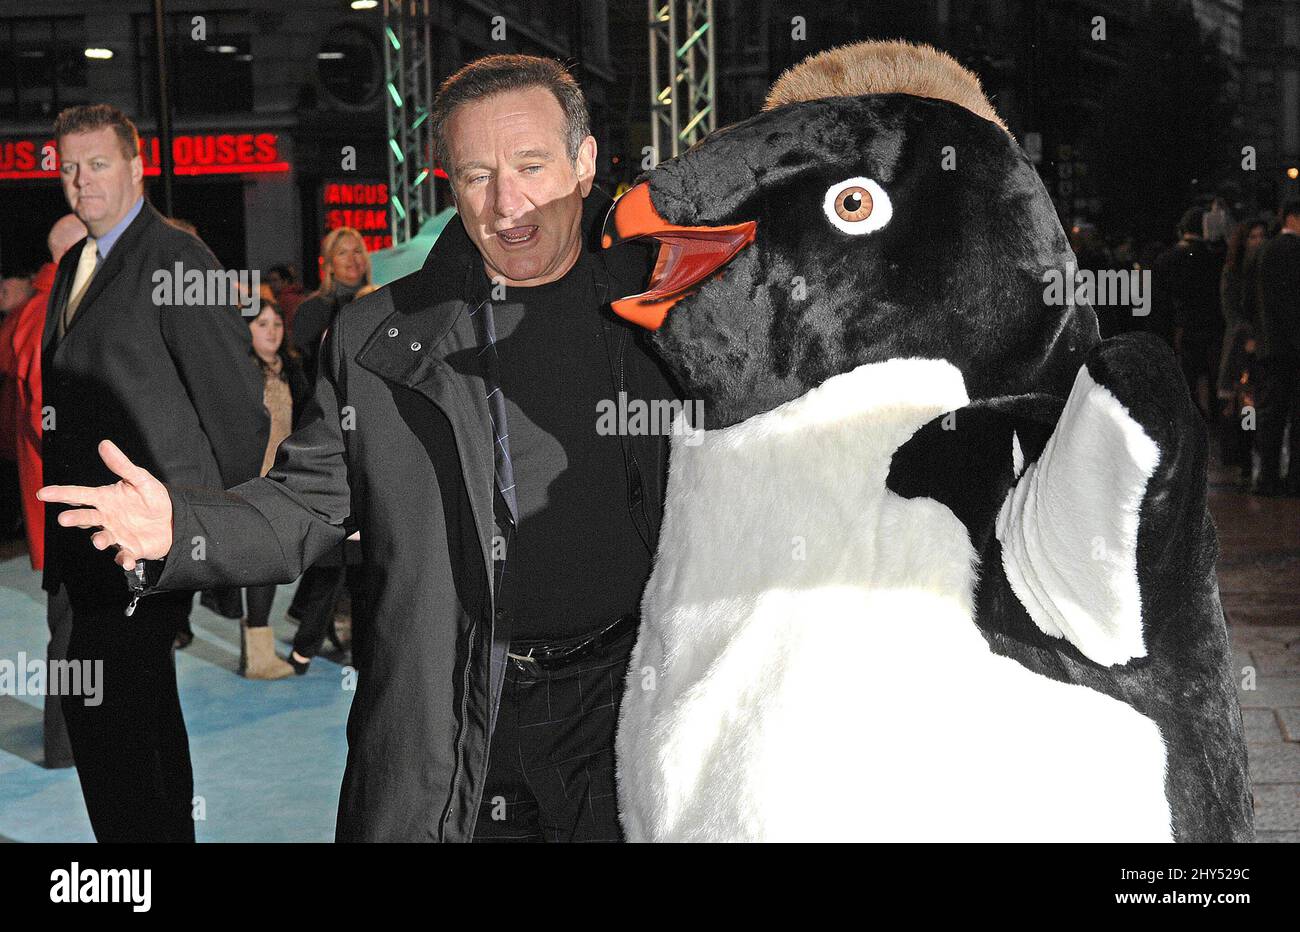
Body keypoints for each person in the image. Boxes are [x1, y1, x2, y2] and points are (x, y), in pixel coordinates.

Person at [40, 54, 681, 842]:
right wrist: (182, 529)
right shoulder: (379, 337)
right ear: (449, 183)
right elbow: (305, 502)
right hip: (450, 717)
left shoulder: (666, 317)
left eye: (531, 165)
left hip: (625, 710)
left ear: (584, 163)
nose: (506, 202)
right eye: (477, 174)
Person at [40, 104, 268, 842]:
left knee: (110, 723)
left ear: (137, 168)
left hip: (149, 546)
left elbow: (238, 407)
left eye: (98, 162)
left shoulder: (177, 257)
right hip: (88, 551)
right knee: (134, 727)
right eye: (69, 166)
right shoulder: (77, 263)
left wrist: (205, 529)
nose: (82, 180)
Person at [0, 215, 87, 768]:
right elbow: (41, 409)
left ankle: (72, 739)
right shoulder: (49, 308)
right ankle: (66, 743)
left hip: (63, 496)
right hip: (66, 499)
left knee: (77, 623)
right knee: (72, 624)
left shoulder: (47, 305)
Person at [240, 300, 309, 678]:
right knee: (257, 566)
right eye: (262, 323)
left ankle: (259, 651)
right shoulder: (238, 371)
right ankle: (258, 654)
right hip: (247, 483)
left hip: (281, 482)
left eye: (277, 323)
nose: (272, 330)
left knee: (267, 565)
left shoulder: (291, 369)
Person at [1244, 199, 1300, 496]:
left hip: (1269, 347)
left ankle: (1266, 477)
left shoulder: (1264, 250)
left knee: (1270, 415)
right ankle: (1294, 479)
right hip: (1293, 349)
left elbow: (1247, 300)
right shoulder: (1295, 252)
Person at [1150, 206, 1225, 416]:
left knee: (1186, 381)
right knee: (1214, 378)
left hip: (1182, 329)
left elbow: (1159, 302)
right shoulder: (1215, 257)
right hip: (1212, 325)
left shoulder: (1167, 259)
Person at [1217, 219, 1268, 487]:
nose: (1257, 242)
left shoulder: (1259, 269)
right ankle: (1246, 459)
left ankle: (1251, 458)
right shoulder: (1234, 272)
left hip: (1256, 346)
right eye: (1253, 237)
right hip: (1242, 348)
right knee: (1245, 405)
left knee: (1255, 405)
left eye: (1261, 236)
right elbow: (1232, 312)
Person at [291, 228, 370, 381]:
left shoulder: (380, 301)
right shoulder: (311, 310)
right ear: (330, 265)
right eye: (342, 253)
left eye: (357, 251)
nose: (352, 259)